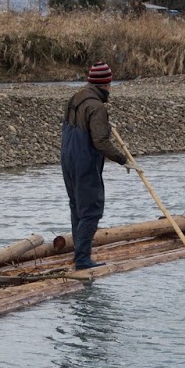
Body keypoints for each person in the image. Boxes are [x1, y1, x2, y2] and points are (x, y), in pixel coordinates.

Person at [61, 61, 137, 270]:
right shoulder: (97, 107)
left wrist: (103, 125)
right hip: (85, 163)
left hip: (67, 160)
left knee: (77, 206)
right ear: (106, 84)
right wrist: (124, 160)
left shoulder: (74, 99)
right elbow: (101, 142)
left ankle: (79, 253)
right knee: (92, 210)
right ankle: (83, 260)